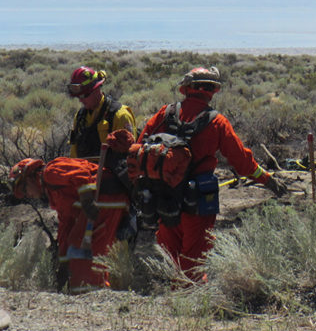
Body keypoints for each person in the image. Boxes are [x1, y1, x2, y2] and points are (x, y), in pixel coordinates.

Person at [136, 66, 287, 282]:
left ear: (186, 88)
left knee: (171, 255)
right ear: (213, 90)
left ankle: (175, 294)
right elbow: (243, 162)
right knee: (194, 261)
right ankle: (190, 298)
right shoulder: (216, 122)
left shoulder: (165, 114)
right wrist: (267, 179)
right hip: (197, 201)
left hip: (164, 197)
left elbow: (139, 147)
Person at [9, 155, 130, 293]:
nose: (27, 195)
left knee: (88, 254)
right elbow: (65, 226)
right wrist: (63, 262)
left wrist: (86, 198)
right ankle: (87, 291)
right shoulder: (54, 194)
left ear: (30, 177)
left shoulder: (50, 172)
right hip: (101, 206)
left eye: (24, 190)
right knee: (76, 243)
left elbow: (80, 173)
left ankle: (93, 292)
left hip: (105, 200)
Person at [68, 66, 136, 159]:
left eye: (84, 95)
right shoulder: (79, 117)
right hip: (83, 167)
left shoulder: (120, 116)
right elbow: (73, 154)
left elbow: (130, 157)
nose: (80, 100)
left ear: (96, 89)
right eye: (78, 96)